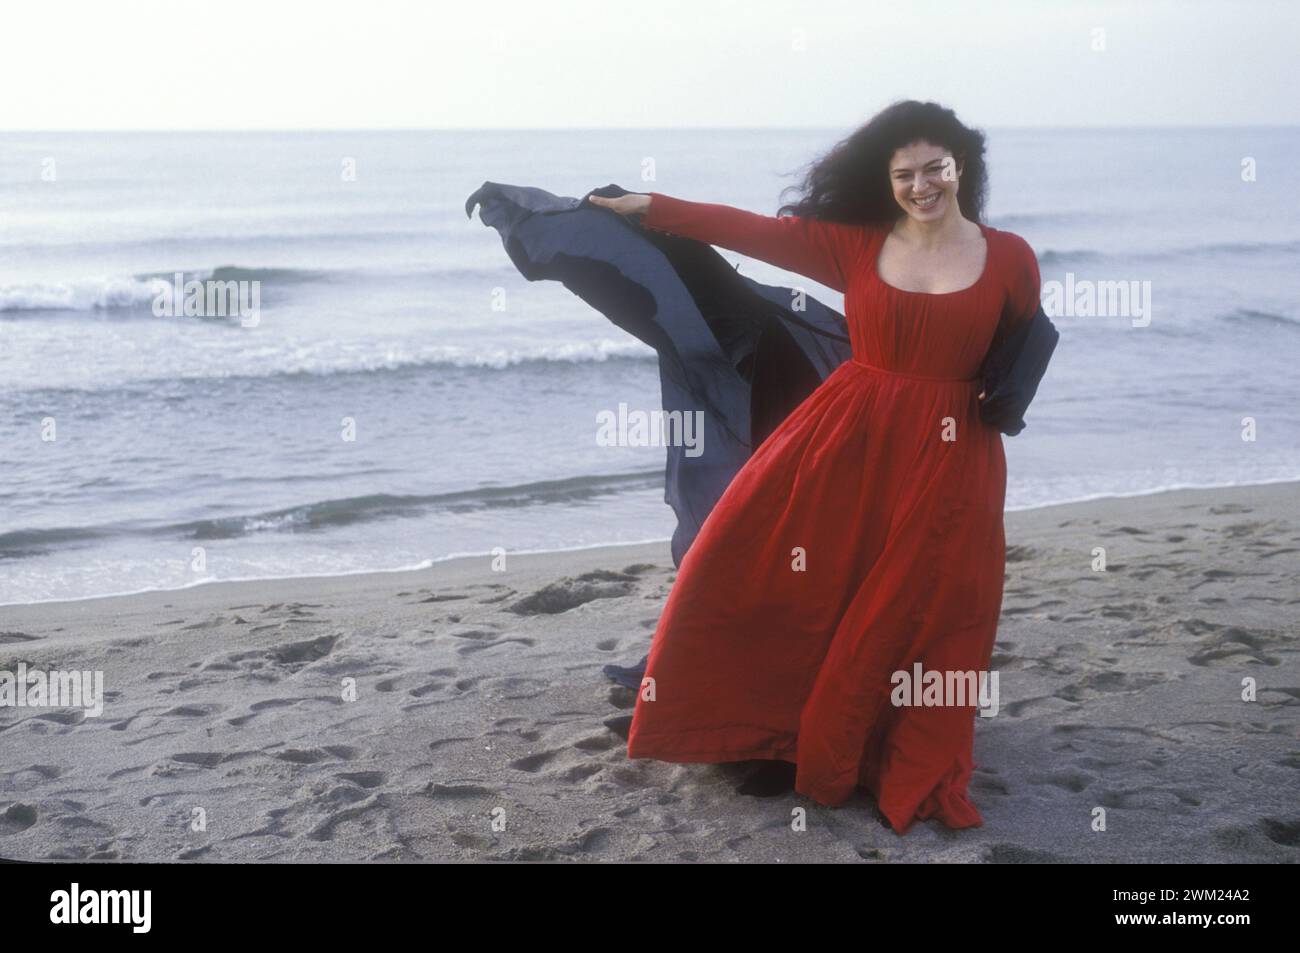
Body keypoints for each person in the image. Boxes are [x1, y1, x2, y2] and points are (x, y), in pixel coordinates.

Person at [586, 100, 1042, 835]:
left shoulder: (1011, 256)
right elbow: (750, 231)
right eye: (904, 174)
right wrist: (651, 207)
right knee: (765, 568)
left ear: (961, 168)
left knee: (923, 605)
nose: (921, 184)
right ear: (886, 180)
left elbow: (1019, 347)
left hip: (953, 454)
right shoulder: (857, 246)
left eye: (934, 168)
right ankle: (760, 728)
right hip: (845, 440)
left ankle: (872, 742)